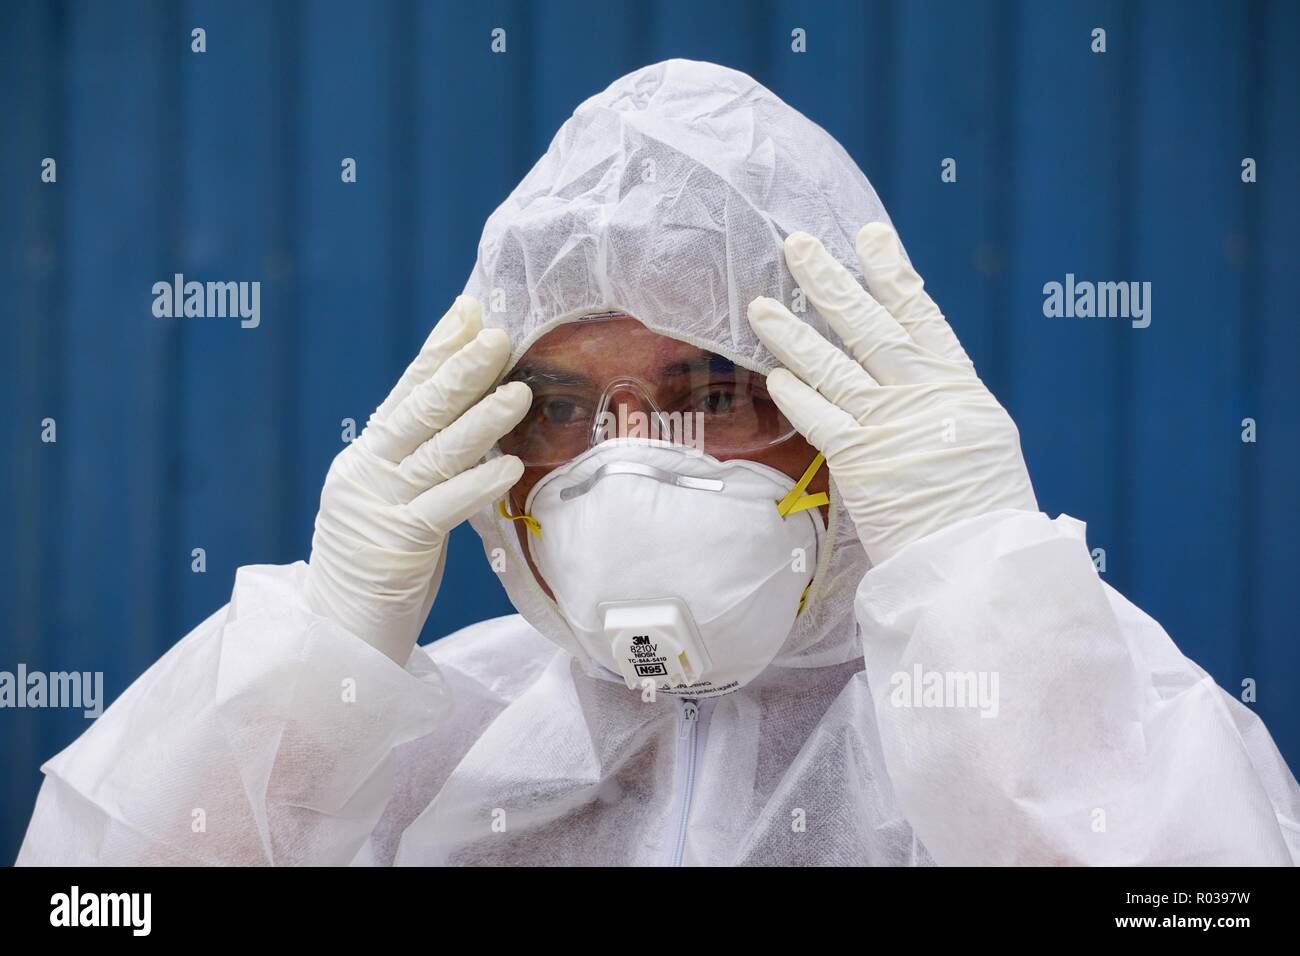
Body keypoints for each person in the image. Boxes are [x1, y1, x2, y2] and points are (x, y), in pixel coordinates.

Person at [18, 60, 1299, 866]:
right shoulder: (424, 750)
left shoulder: (1054, 713)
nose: (631, 462)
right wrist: (316, 666)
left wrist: (983, 593)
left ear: (858, 412)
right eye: (562, 406)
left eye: (717, 390)